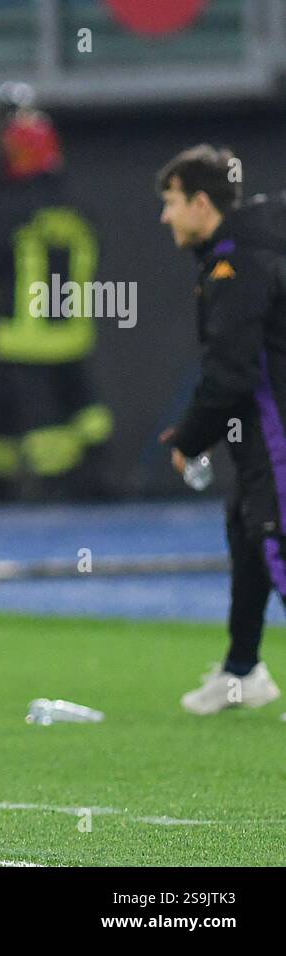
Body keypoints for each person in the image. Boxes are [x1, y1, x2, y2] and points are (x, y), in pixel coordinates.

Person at [155, 144, 286, 718]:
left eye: (172, 202)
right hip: (260, 426)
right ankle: (241, 673)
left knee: (275, 537)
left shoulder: (239, 259)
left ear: (201, 203)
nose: (166, 217)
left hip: (275, 427)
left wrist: (188, 437)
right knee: (249, 536)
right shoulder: (248, 244)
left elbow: (234, 369)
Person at [0, 94, 112, 499]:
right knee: (80, 409)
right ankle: (90, 479)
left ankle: (38, 489)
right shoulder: (77, 206)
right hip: (71, 329)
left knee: (37, 418)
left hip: (19, 333)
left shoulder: (8, 207)